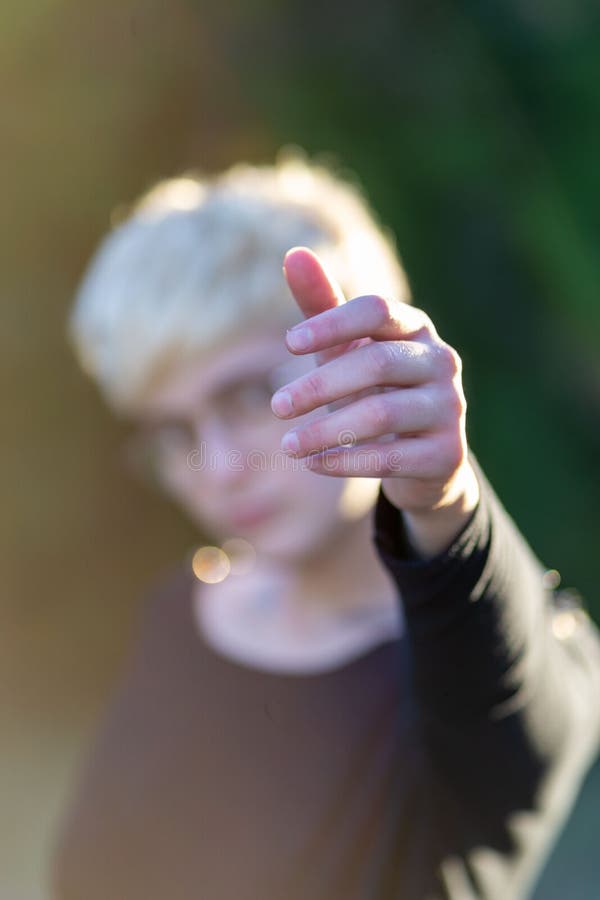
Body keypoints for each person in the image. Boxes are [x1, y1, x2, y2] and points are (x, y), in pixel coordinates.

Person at [52, 153, 600, 899]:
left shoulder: (490, 669)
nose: (217, 464)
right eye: (173, 431)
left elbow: (496, 666)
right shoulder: (184, 610)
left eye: (247, 395)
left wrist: (443, 499)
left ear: (367, 365)